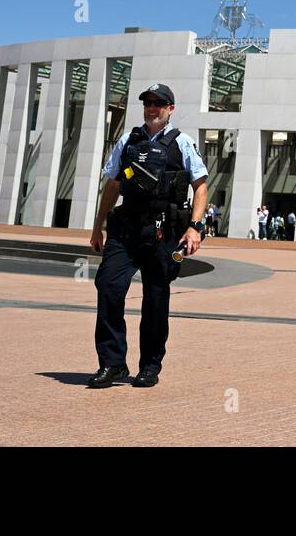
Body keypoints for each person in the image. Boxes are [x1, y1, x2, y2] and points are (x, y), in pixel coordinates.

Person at [87, 83, 207, 389]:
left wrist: (195, 227)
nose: (152, 108)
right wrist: (98, 225)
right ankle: (113, 363)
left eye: (158, 103)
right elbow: (113, 185)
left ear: (170, 109)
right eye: (148, 103)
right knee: (109, 286)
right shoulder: (128, 140)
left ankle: (150, 366)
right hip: (125, 230)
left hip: (162, 232)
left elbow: (201, 186)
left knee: (155, 298)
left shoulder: (183, 143)